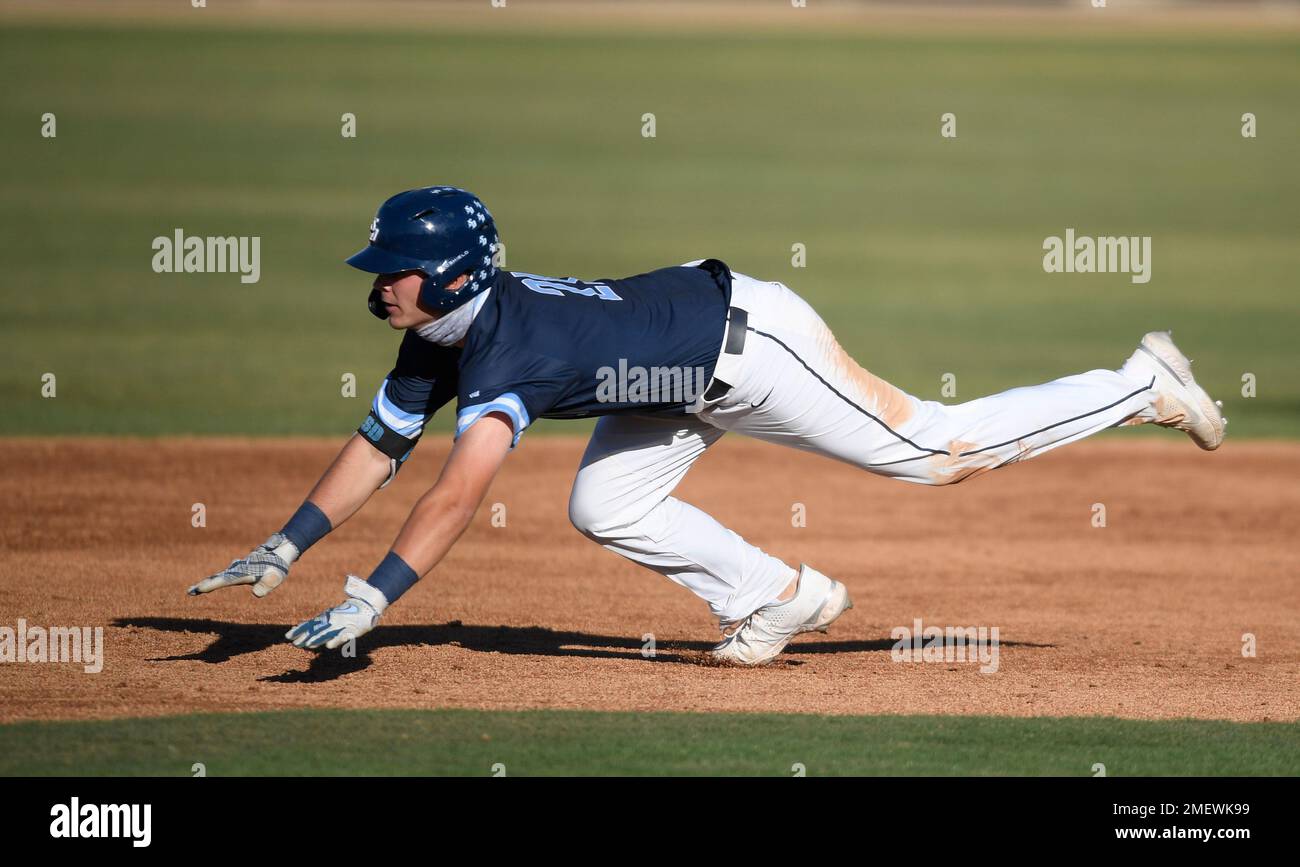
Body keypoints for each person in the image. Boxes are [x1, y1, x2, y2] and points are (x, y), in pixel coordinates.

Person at [188, 186, 1226, 666]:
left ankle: (1136, 384)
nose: (380, 288)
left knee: (931, 453)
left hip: (744, 343)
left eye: (393, 273)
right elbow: (379, 448)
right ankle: (781, 598)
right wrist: (290, 545)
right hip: (670, 368)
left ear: (452, 276)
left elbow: (459, 492)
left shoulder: (504, 353)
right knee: (602, 501)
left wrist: (374, 597)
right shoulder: (441, 337)